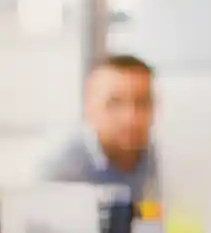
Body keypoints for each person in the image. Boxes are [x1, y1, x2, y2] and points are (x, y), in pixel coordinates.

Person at [37, 54, 159, 204]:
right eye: (114, 103)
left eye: (142, 103)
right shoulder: (61, 163)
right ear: (89, 109)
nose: (131, 117)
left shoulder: (155, 157)